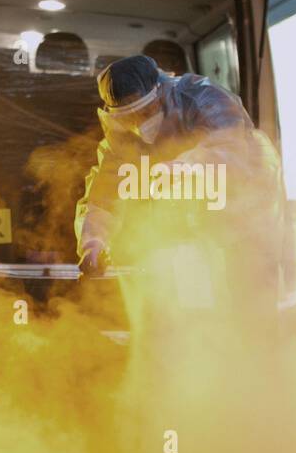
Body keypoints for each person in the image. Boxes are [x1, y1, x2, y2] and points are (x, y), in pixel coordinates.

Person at [74, 55, 284, 310]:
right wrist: (93, 240)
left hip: (242, 220)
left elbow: (232, 153)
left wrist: (187, 167)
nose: (140, 123)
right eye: (130, 118)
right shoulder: (119, 140)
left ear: (160, 91)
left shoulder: (203, 99)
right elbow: (102, 198)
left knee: (250, 300)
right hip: (186, 232)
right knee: (184, 304)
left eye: (145, 111)